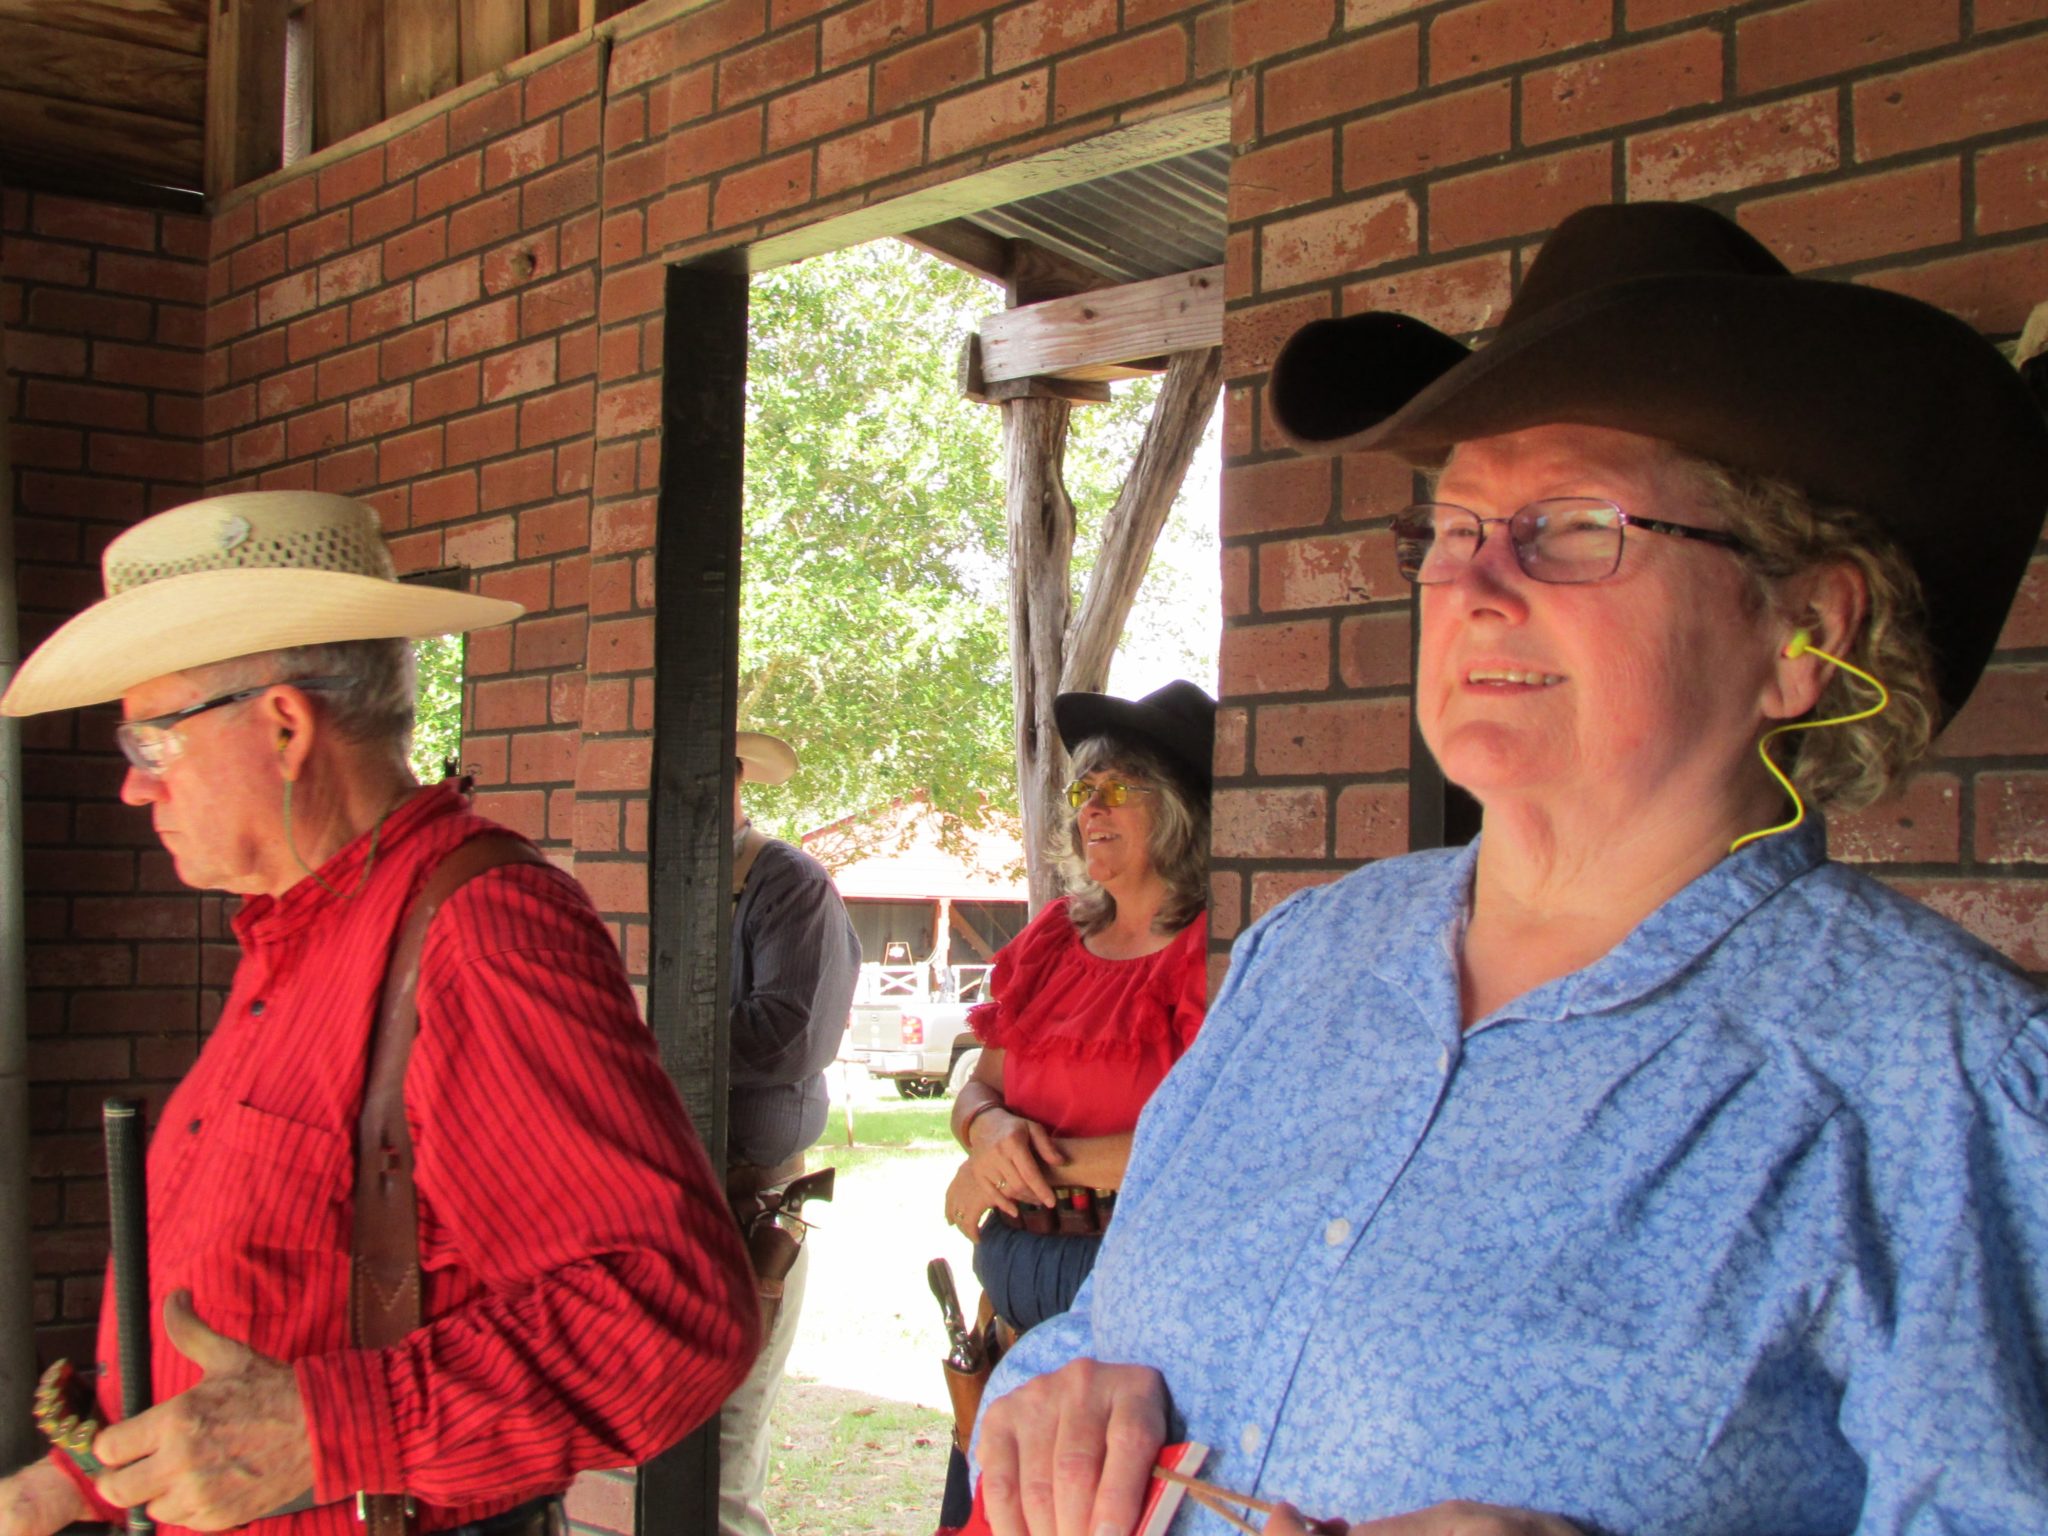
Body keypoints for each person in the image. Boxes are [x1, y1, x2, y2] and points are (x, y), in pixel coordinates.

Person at [970, 202, 2048, 1536]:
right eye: (1454, 530)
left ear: (1804, 634)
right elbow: (1107, 1339)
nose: (1477, 584)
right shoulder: (1306, 964)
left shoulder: (1937, 1084)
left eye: (1576, 527)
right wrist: (1057, 1396)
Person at [0, 492, 758, 1536]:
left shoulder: (476, 933)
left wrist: (323, 1431)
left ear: (282, 726)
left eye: (151, 746)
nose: (139, 791)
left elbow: (668, 1315)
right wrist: (73, 1481)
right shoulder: (298, 934)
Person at [935, 681, 1215, 1535]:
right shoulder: (1055, 937)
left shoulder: (1211, 952)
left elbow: (1213, 1140)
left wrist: (1030, 1167)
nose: (1093, 808)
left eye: (1119, 789)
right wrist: (989, 1132)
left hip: (1135, 1330)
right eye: (1084, 791)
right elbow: (980, 1085)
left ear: (1176, 811)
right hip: (1011, 1313)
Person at [720, 731, 860, 1536]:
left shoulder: (788, 883)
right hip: (668, 1196)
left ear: (736, 782)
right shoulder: (664, 878)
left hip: (751, 1200)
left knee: (726, 1455)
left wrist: (650, 1026)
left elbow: (790, 1038)